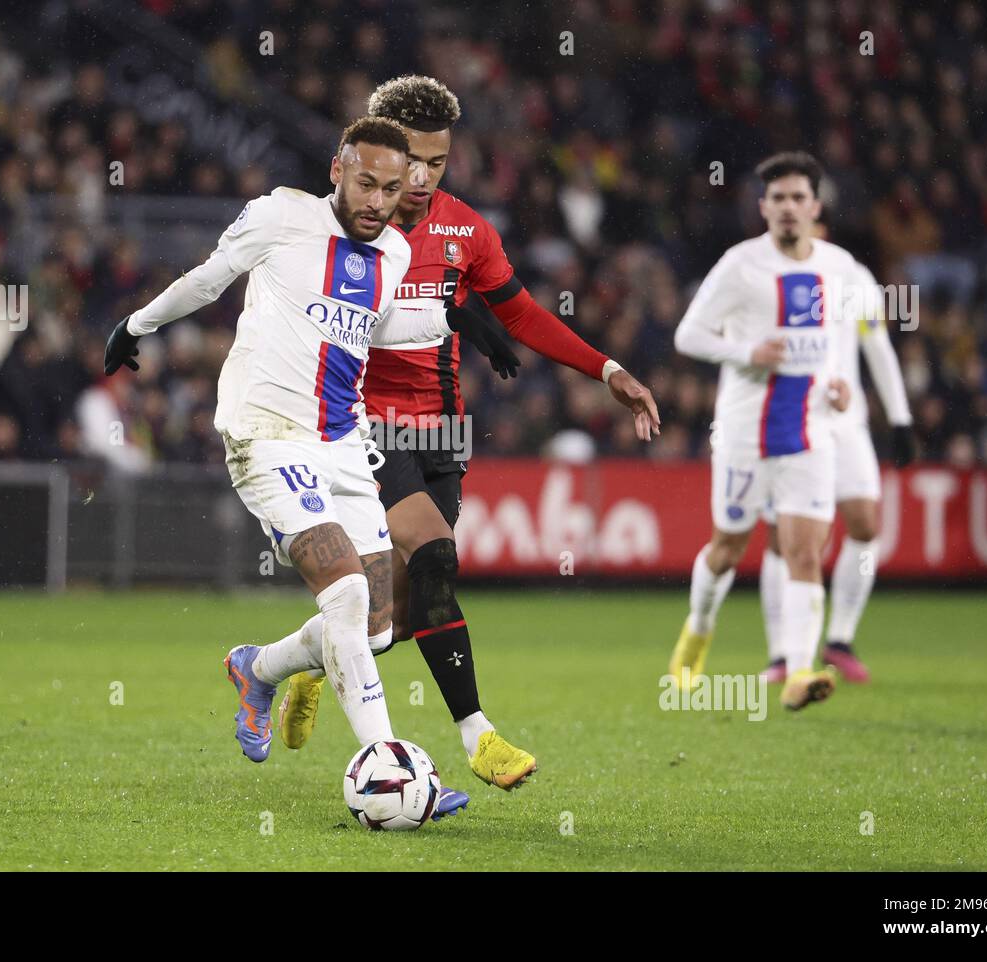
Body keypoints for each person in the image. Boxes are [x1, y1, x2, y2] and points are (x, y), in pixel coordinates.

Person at [103, 116, 509, 817]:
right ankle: (393, 768)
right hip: (267, 434)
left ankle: (256, 668)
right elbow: (209, 278)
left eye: (392, 188)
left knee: (377, 628)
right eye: (367, 183)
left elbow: (374, 328)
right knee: (348, 596)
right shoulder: (279, 217)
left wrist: (452, 321)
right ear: (337, 170)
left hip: (344, 441)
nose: (379, 200)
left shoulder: (394, 255)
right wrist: (137, 324)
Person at [277, 76, 660, 788]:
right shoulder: (341, 228)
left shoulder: (466, 230)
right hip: (359, 424)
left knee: (394, 617)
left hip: (441, 435)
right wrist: (455, 316)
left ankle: (305, 662)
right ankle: (479, 736)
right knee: (437, 554)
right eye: (410, 161)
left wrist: (606, 369)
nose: (420, 179)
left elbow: (518, 314)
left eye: (437, 164)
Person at [669, 151, 856, 711]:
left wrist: (840, 384)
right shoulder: (740, 265)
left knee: (805, 551)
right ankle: (696, 635)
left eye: (799, 197)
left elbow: (835, 342)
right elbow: (689, 336)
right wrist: (746, 351)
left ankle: (800, 669)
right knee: (727, 548)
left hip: (810, 433)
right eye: (778, 198)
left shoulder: (838, 267)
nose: (789, 208)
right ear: (763, 207)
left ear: (816, 206)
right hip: (745, 433)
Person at [759, 254, 915, 684]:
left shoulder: (852, 275)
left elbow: (876, 346)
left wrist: (899, 417)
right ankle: (781, 653)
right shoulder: (766, 272)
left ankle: (840, 638)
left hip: (847, 424)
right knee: (783, 538)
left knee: (865, 524)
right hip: (793, 420)